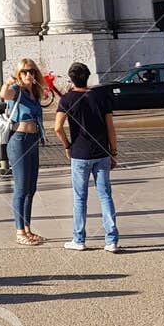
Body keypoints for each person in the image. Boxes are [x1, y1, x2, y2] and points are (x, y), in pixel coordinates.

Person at [54, 62, 120, 254]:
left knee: (80, 197)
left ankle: (79, 239)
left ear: (71, 79)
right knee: (105, 195)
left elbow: (57, 127)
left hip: (79, 153)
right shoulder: (101, 97)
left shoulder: (66, 99)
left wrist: (67, 145)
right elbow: (111, 128)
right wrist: (113, 152)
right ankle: (111, 240)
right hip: (101, 153)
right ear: (88, 76)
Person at [0, 59, 48, 247]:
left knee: (31, 187)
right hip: (19, 140)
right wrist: (8, 82)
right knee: (20, 187)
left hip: (33, 140)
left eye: (33, 72)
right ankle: (19, 231)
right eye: (25, 72)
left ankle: (27, 228)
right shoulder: (17, 91)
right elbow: (4, 94)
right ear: (19, 74)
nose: (30, 75)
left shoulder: (34, 93)